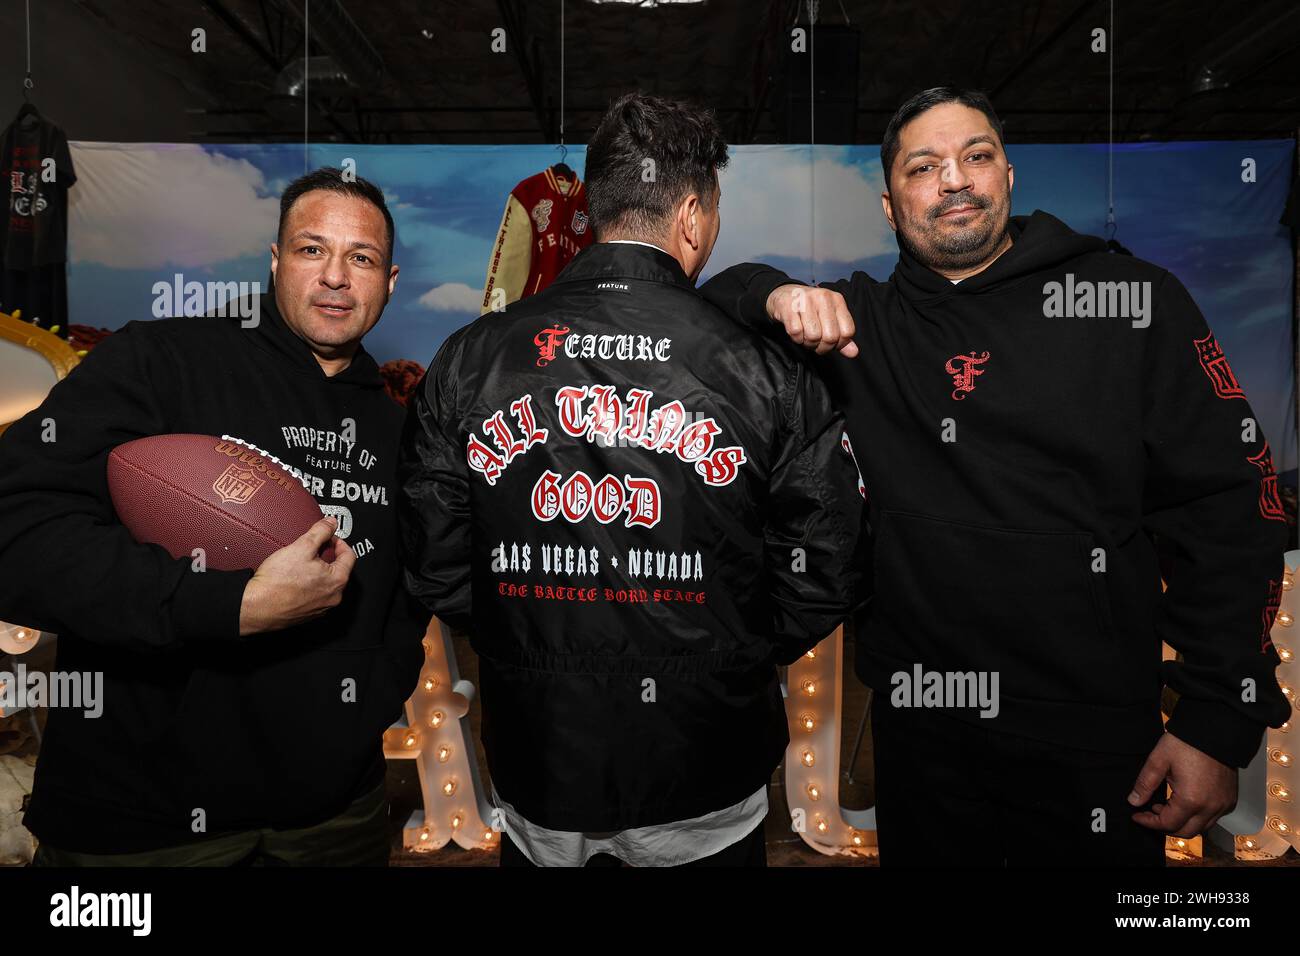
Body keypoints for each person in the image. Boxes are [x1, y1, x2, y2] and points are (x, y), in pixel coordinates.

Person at [702, 87, 1291, 867]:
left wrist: (1216, 722)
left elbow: (1232, 510)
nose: (954, 180)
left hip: (1098, 737)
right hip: (924, 737)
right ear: (889, 204)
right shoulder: (860, 326)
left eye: (975, 157)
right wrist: (776, 294)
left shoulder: (1130, 306)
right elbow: (711, 305)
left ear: (1008, 176)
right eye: (924, 167)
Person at [397, 92, 868, 867]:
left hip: (541, 766)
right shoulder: (767, 369)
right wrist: (735, 648)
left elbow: (436, 563)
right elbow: (825, 567)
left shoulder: (471, 357)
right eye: (712, 215)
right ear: (691, 216)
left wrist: (523, 636)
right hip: (704, 775)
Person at [0, 167, 427, 865]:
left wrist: (362, 712)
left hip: (332, 822)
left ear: (390, 280)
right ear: (274, 260)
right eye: (312, 249)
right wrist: (228, 606)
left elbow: (407, 605)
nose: (336, 277)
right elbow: (17, 530)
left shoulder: (399, 432)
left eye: (363, 258)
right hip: (143, 827)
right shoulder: (161, 362)